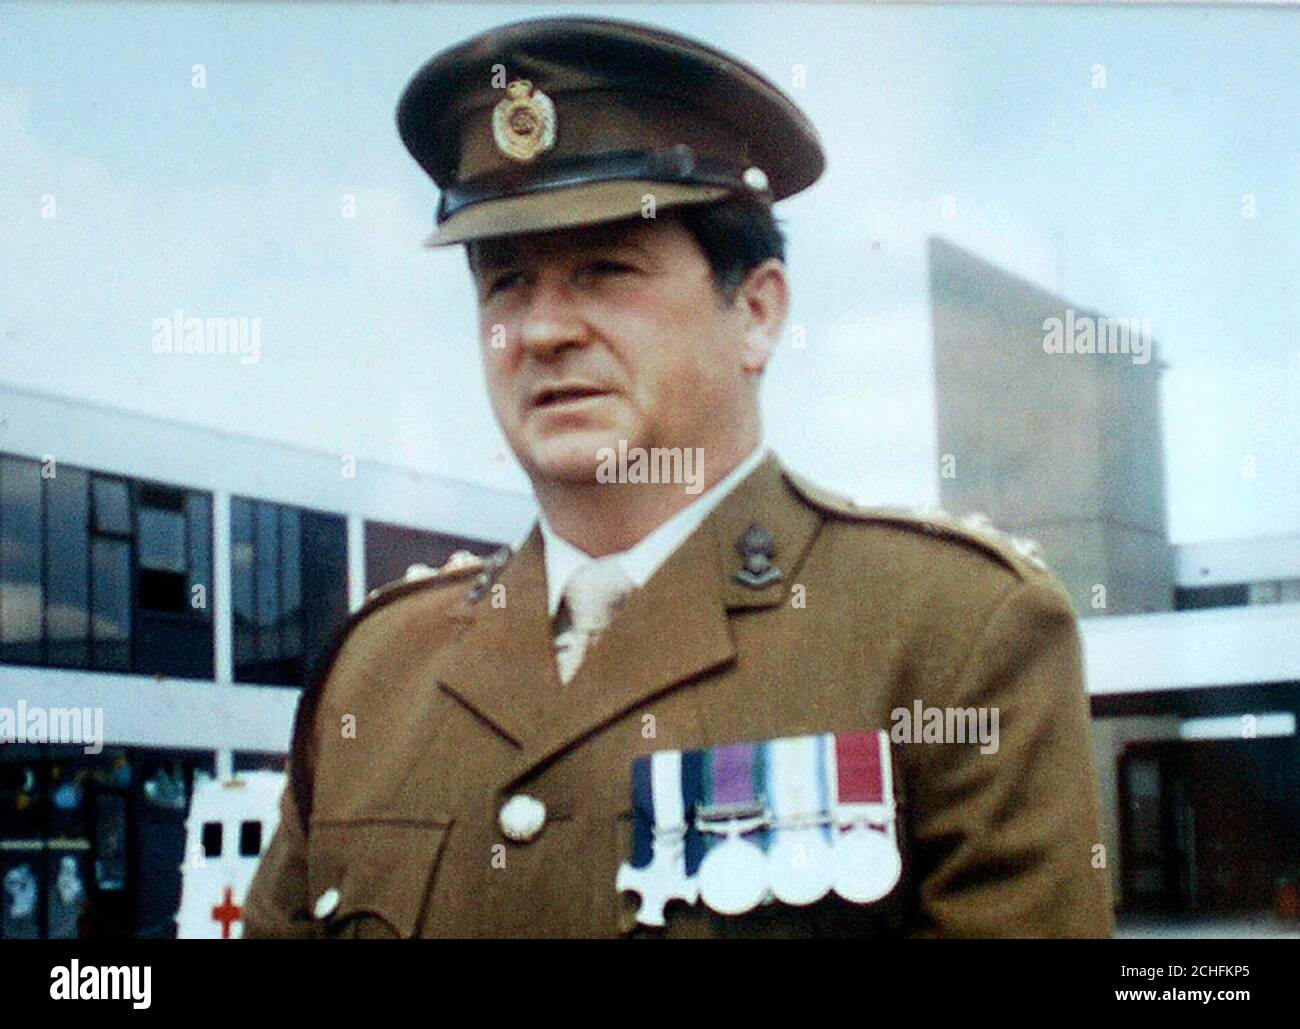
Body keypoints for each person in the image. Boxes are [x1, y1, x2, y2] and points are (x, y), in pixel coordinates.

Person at [242, 15, 1113, 938]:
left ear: (757, 313)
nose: (543, 330)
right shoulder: (374, 676)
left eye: (606, 270)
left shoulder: (950, 637)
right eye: (504, 282)